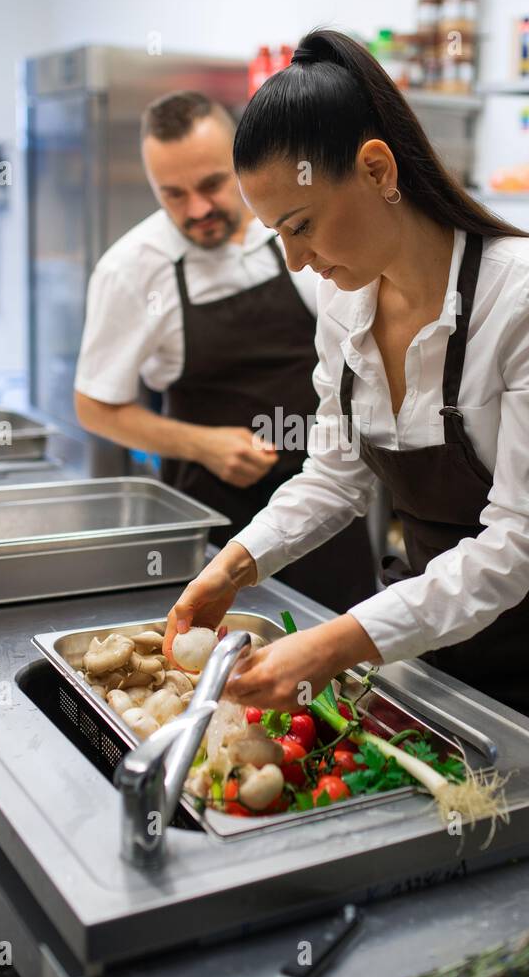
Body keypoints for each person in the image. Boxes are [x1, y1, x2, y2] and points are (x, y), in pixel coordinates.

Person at [164, 30, 529, 792]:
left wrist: (339, 642)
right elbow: (334, 478)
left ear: (376, 169)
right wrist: (233, 566)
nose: (295, 260)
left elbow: (526, 533)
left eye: (301, 224)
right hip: (439, 630)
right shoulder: (344, 298)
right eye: (277, 235)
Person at [74, 88, 375, 613]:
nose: (198, 209)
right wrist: (202, 444)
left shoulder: (298, 229)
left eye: (212, 184)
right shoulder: (130, 271)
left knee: (342, 669)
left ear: (241, 161)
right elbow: (93, 406)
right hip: (212, 520)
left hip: (325, 501)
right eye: (173, 195)